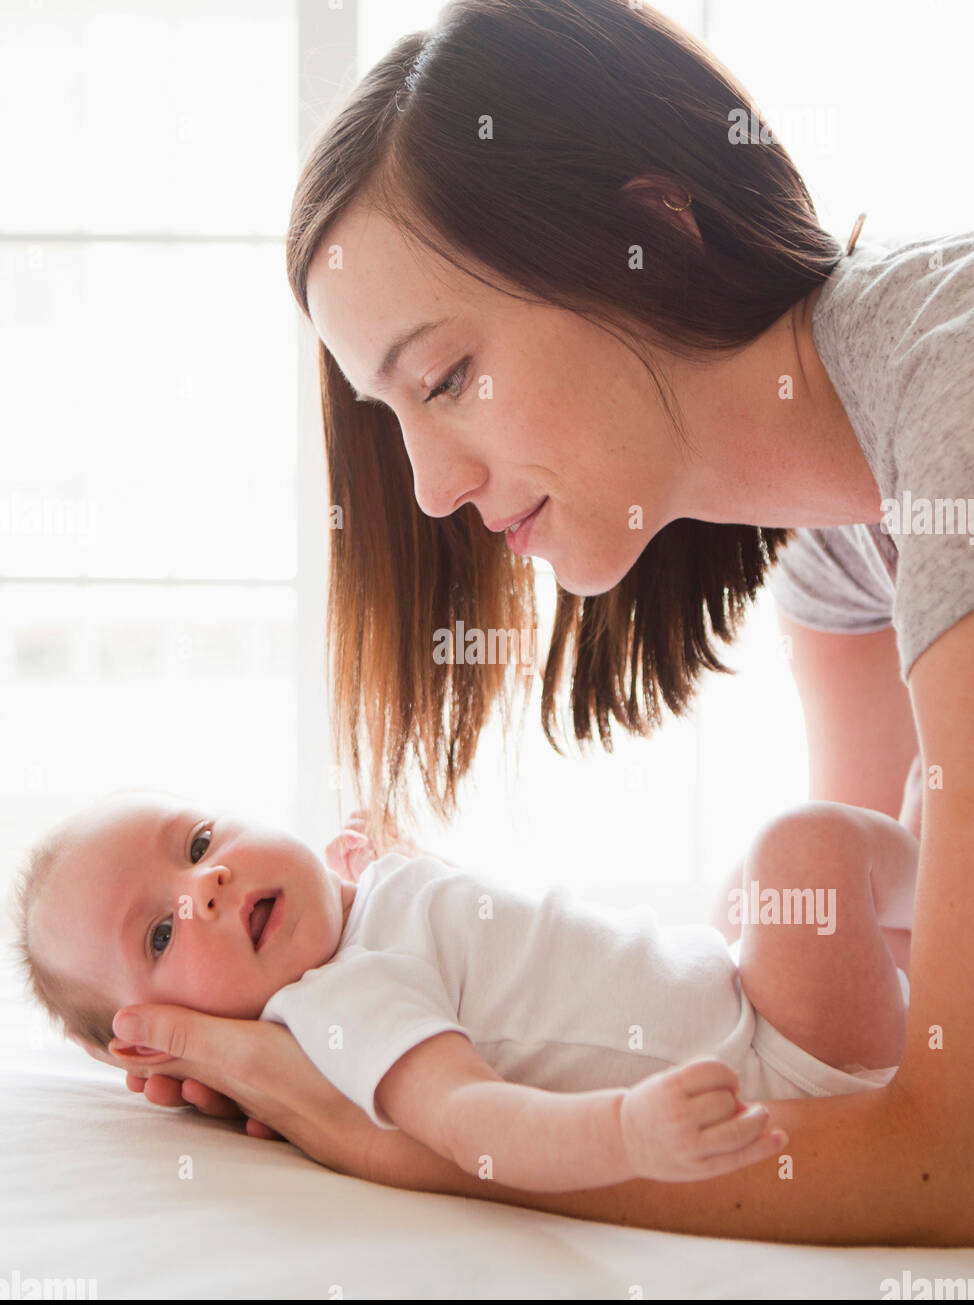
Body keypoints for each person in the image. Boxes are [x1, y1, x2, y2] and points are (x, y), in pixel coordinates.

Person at [91, 0, 974, 1242]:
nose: (430, 490)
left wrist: (397, 1140)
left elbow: (946, 1155)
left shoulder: (952, 404)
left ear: (649, 231)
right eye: (392, 414)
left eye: (446, 378)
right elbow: (861, 1037)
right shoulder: (843, 542)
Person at [15, 789, 921, 1189]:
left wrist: (379, 875)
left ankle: (923, 912)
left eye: (200, 839)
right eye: (162, 933)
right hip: (782, 1066)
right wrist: (624, 1132)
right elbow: (473, 1121)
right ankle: (941, 876)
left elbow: (502, 964)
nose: (203, 884)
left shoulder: (360, 928)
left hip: (739, 993)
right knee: (801, 852)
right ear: (157, 1030)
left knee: (749, 893)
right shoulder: (339, 1006)